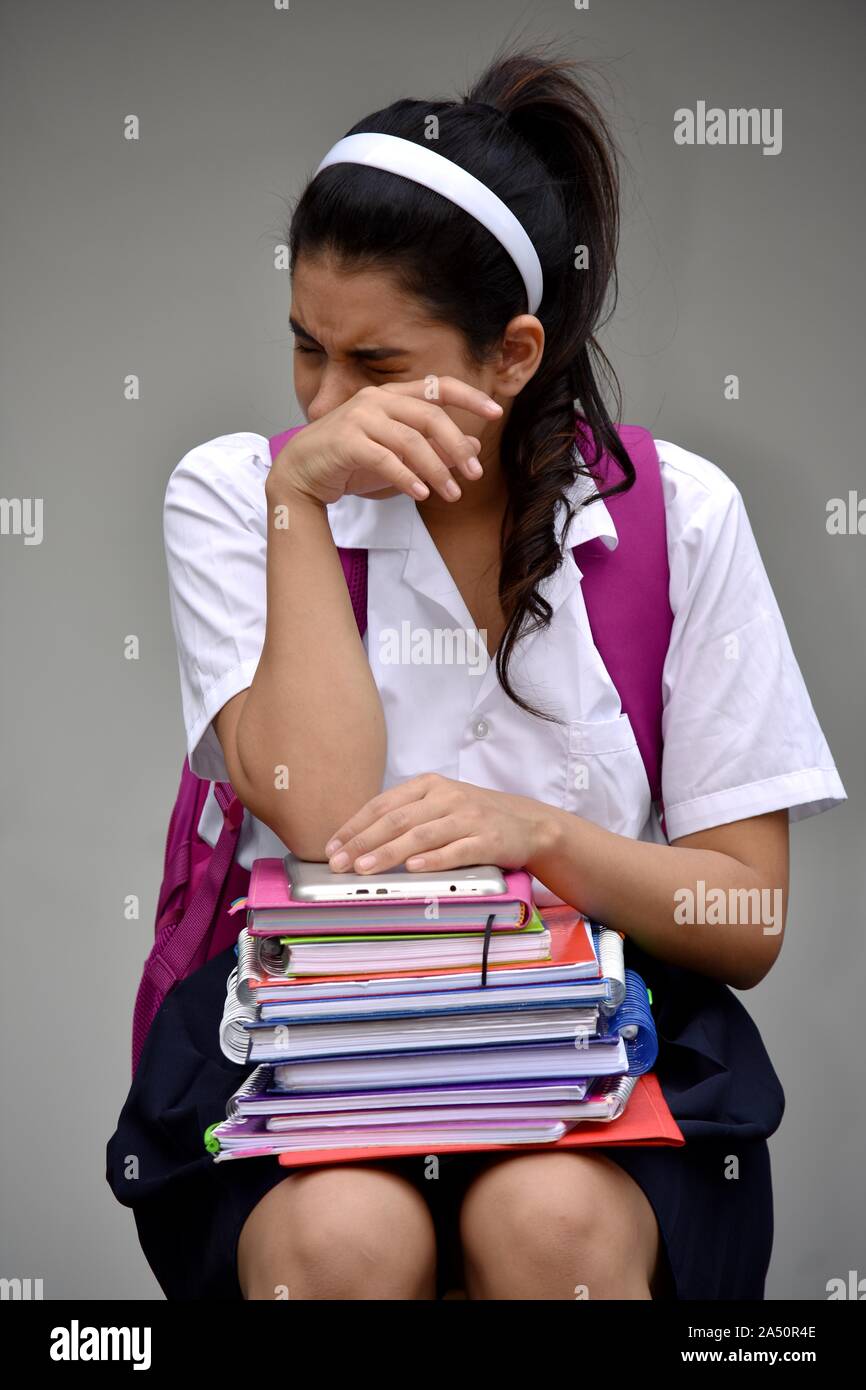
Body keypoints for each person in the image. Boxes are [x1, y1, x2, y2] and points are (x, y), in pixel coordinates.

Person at [106, 42, 846, 1300]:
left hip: (597, 1056)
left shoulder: (680, 515)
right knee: (341, 1239)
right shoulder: (236, 495)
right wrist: (297, 497)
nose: (330, 402)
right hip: (312, 1061)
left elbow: (745, 917)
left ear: (511, 353)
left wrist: (533, 833)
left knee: (550, 1221)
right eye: (306, 350)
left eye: (377, 366)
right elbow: (322, 806)